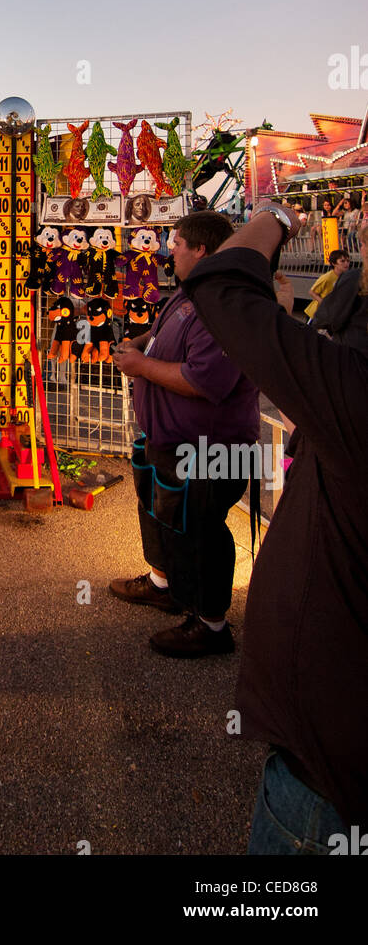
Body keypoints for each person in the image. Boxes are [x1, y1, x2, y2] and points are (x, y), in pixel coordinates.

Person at [175, 201, 368, 852]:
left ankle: (206, 618)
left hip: (326, 793)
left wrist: (275, 214)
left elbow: (222, 285)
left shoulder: (355, 395)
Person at [109, 211, 260, 657]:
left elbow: (203, 381)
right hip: (168, 440)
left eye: (176, 243)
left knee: (200, 529)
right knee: (161, 512)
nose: (167, 249)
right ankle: (165, 584)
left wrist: (140, 367)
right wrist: (138, 344)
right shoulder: (187, 294)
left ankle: (212, 625)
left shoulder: (223, 305)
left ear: (202, 250)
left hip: (209, 449)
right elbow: (158, 334)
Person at [303, 248, 349, 319]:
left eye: (348, 261)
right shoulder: (327, 277)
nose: (346, 263)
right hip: (316, 314)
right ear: (334, 263)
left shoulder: (346, 277)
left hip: (331, 313)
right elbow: (312, 292)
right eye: (342, 261)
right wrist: (323, 302)